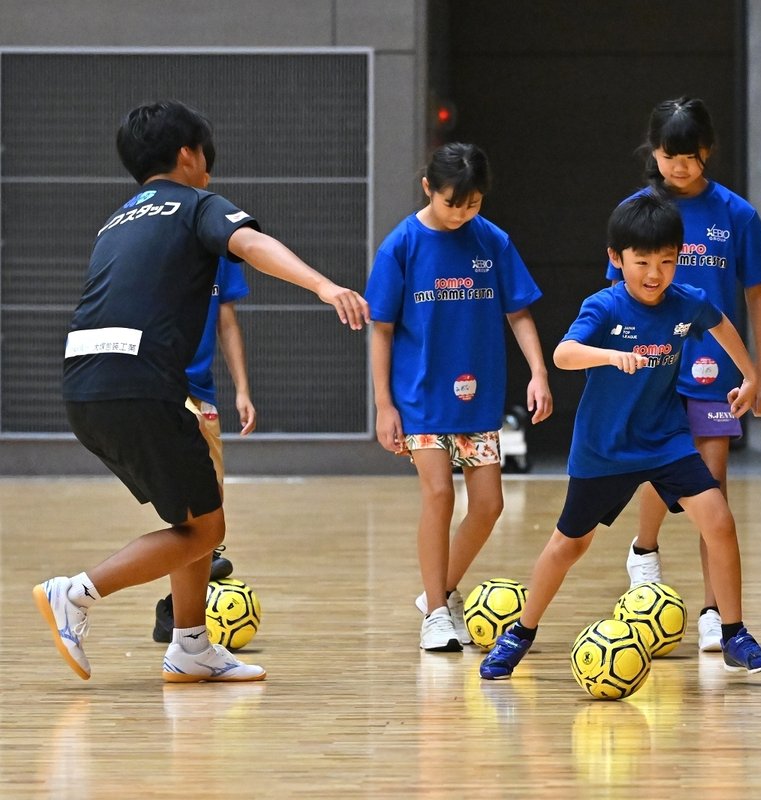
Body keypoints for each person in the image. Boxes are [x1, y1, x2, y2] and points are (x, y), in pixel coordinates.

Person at [34, 99, 369, 683]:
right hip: (140, 385)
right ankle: (76, 593)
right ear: (189, 154)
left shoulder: (118, 218)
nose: (208, 168)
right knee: (207, 531)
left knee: (191, 515)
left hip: (85, 385)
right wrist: (323, 284)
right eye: (205, 155)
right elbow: (250, 246)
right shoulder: (196, 205)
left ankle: (190, 646)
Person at [479, 193, 761, 680]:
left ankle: (734, 634)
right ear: (616, 259)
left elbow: (721, 323)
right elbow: (564, 354)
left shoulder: (687, 302)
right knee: (568, 546)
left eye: (666, 261)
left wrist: (750, 376)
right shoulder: (604, 305)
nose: (655, 274)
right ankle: (521, 632)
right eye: (642, 262)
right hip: (605, 448)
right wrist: (608, 356)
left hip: (665, 439)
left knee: (719, 521)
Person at [610, 97, 761, 652]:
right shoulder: (638, 211)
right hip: (655, 368)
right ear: (653, 153)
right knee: (664, 473)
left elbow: (756, 297)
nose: (679, 166)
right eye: (668, 155)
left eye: (689, 156)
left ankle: (714, 611)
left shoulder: (736, 214)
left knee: (711, 488)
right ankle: (644, 549)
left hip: (715, 373)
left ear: (707, 151)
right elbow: (618, 297)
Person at [366, 142, 553, 652]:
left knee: (489, 505)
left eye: (473, 204)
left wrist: (539, 372)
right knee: (439, 495)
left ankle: (437, 593)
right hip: (420, 399)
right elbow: (380, 330)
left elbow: (519, 313)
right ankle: (437, 612)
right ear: (429, 188)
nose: (463, 213)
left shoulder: (491, 241)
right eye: (454, 203)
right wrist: (384, 405)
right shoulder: (401, 245)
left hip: (478, 400)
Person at [152, 256, 254, 643]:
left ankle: (177, 612)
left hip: (203, 394)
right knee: (186, 509)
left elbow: (225, 320)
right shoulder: (155, 242)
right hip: (162, 389)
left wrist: (242, 389)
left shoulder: (216, 250)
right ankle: (178, 617)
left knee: (210, 507)